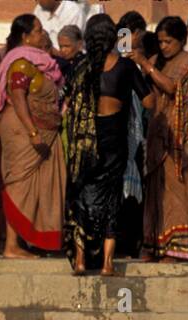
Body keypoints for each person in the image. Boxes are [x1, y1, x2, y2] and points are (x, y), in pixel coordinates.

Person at [63, 15, 154, 275]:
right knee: (111, 198)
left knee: (82, 197)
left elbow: (66, 101)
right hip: (115, 140)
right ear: (113, 37)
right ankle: (107, 263)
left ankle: (80, 261)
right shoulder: (125, 67)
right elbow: (149, 103)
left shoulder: (81, 66)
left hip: (85, 142)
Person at [0, 13, 65, 257]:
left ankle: (27, 241)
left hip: (45, 133)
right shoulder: (20, 62)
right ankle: (11, 245)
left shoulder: (43, 62)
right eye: (39, 30)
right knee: (19, 184)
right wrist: (33, 132)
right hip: (24, 131)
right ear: (25, 36)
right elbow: (19, 98)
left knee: (40, 186)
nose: (43, 34)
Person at [141, 16, 188, 262]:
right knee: (155, 193)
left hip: (179, 140)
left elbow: (172, 87)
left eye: (168, 41)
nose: (164, 46)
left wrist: (146, 66)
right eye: (160, 41)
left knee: (176, 194)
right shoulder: (156, 60)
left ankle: (176, 249)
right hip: (157, 135)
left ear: (181, 40)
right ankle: (153, 245)